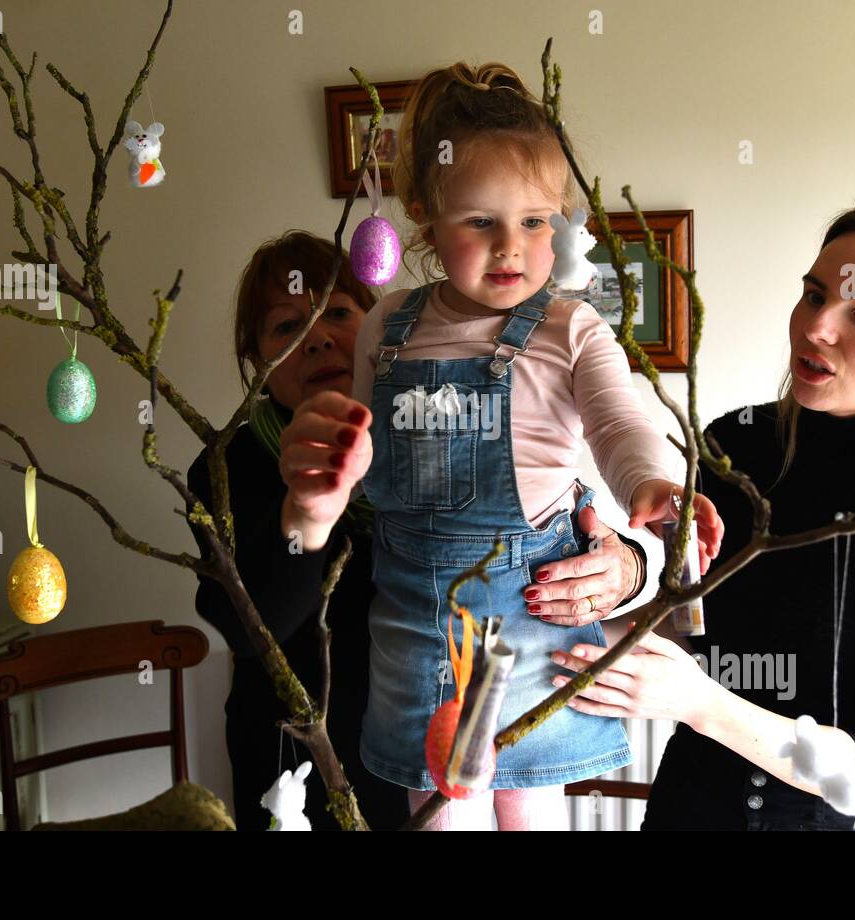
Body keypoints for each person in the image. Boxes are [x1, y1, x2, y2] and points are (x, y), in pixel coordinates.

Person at [287, 63, 723, 831]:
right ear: (424, 212)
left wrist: (650, 487)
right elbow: (361, 453)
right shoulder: (387, 324)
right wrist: (332, 471)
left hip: (532, 619)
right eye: (480, 223)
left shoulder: (570, 327)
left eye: (535, 222)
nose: (511, 247)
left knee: (531, 814)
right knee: (438, 817)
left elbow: (621, 424)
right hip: (415, 623)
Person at [551, 196, 855, 830]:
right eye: (814, 295)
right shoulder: (742, 448)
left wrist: (703, 706)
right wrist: (607, 587)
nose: (817, 327)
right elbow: (688, 624)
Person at [186, 230, 653, 830]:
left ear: (376, 326)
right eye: (286, 327)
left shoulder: (443, 429)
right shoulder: (233, 464)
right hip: (304, 769)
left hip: (447, 743)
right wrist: (306, 513)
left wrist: (629, 566)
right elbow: (252, 629)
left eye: (338, 312)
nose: (320, 337)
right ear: (258, 360)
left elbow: (551, 521)